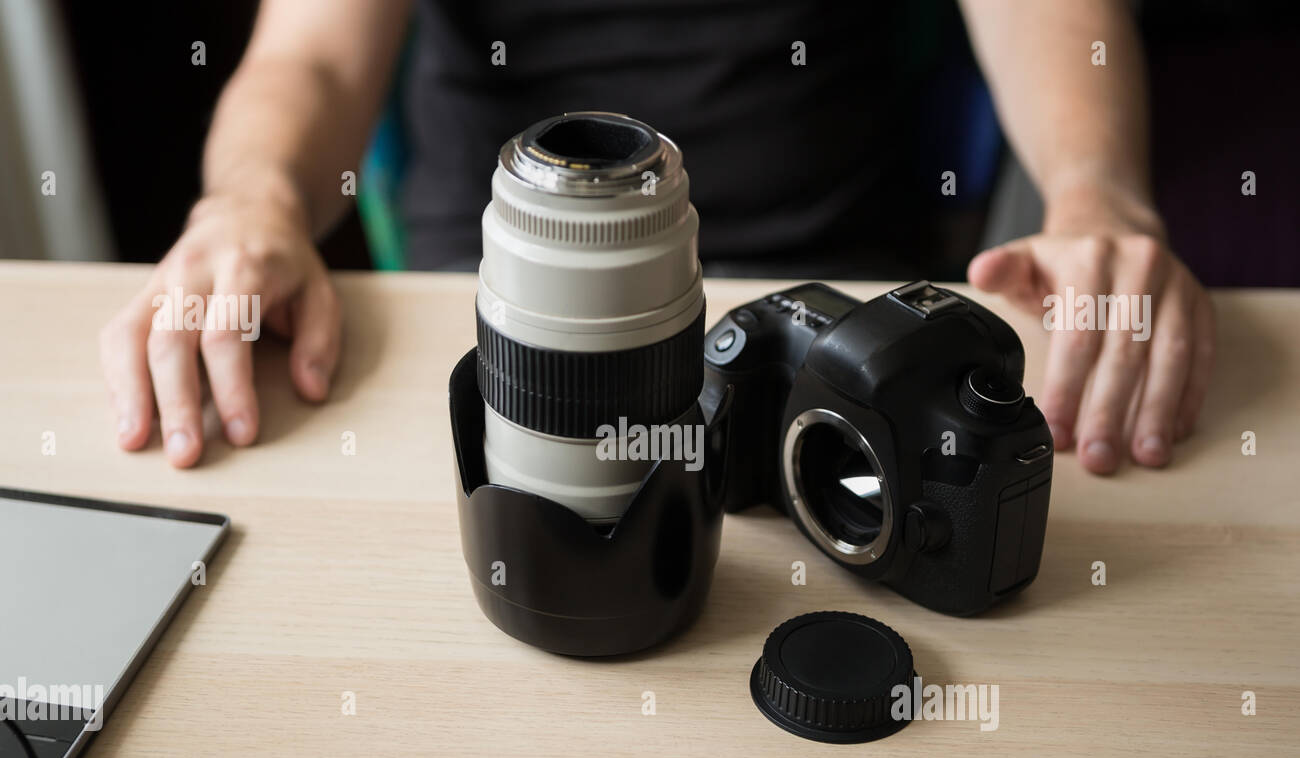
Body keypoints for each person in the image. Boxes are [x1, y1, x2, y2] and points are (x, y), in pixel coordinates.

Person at [99, 0, 1214, 476]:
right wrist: (250, 205)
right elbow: (313, 56)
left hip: (834, 300)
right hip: (488, 297)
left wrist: (1098, 197)